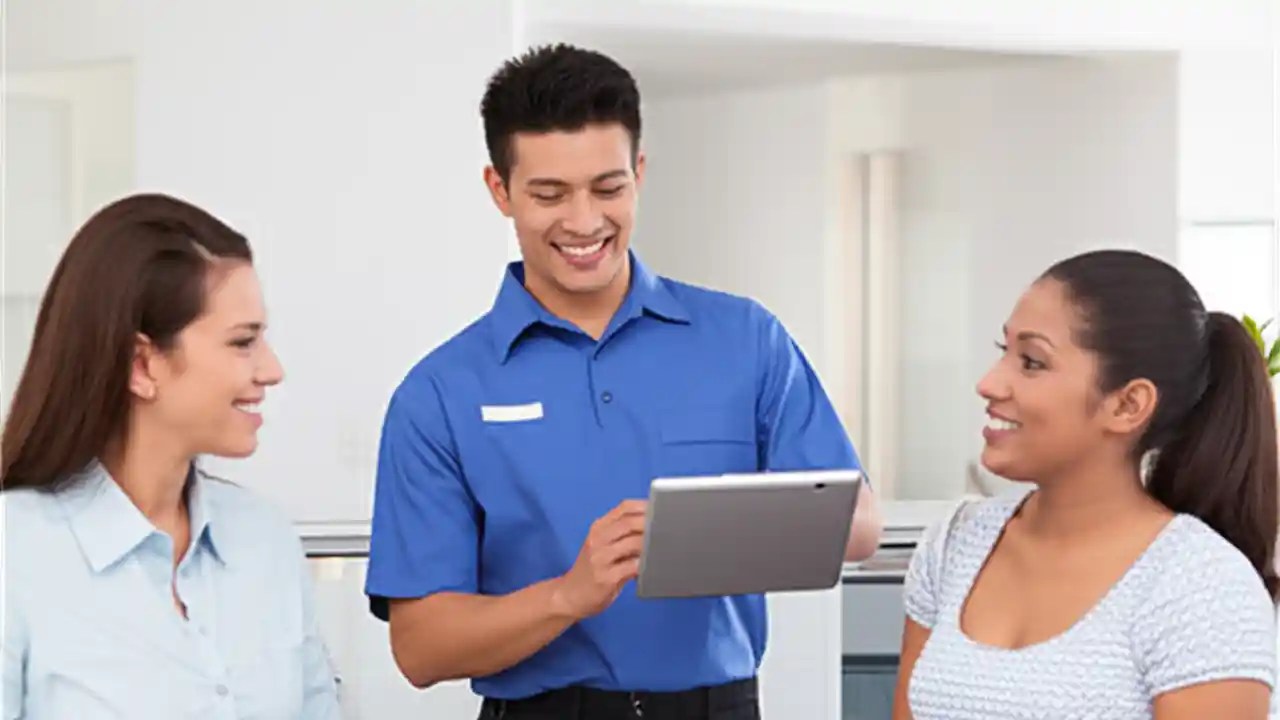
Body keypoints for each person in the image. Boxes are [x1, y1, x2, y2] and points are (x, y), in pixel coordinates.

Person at [364, 43, 883, 720]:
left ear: (639, 172)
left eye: (608, 188)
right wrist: (568, 595)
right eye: (550, 194)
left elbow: (860, 527)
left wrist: (701, 533)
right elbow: (421, 649)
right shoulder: (438, 394)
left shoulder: (744, 339)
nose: (584, 222)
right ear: (500, 190)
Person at [893, 249, 1279, 719]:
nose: (990, 384)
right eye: (1005, 352)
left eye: (1031, 362)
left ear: (1128, 405)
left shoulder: (1199, 587)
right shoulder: (953, 545)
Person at [1, 194, 342, 719]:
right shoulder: (16, 554)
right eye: (242, 342)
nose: (271, 369)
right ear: (141, 365)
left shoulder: (265, 540)